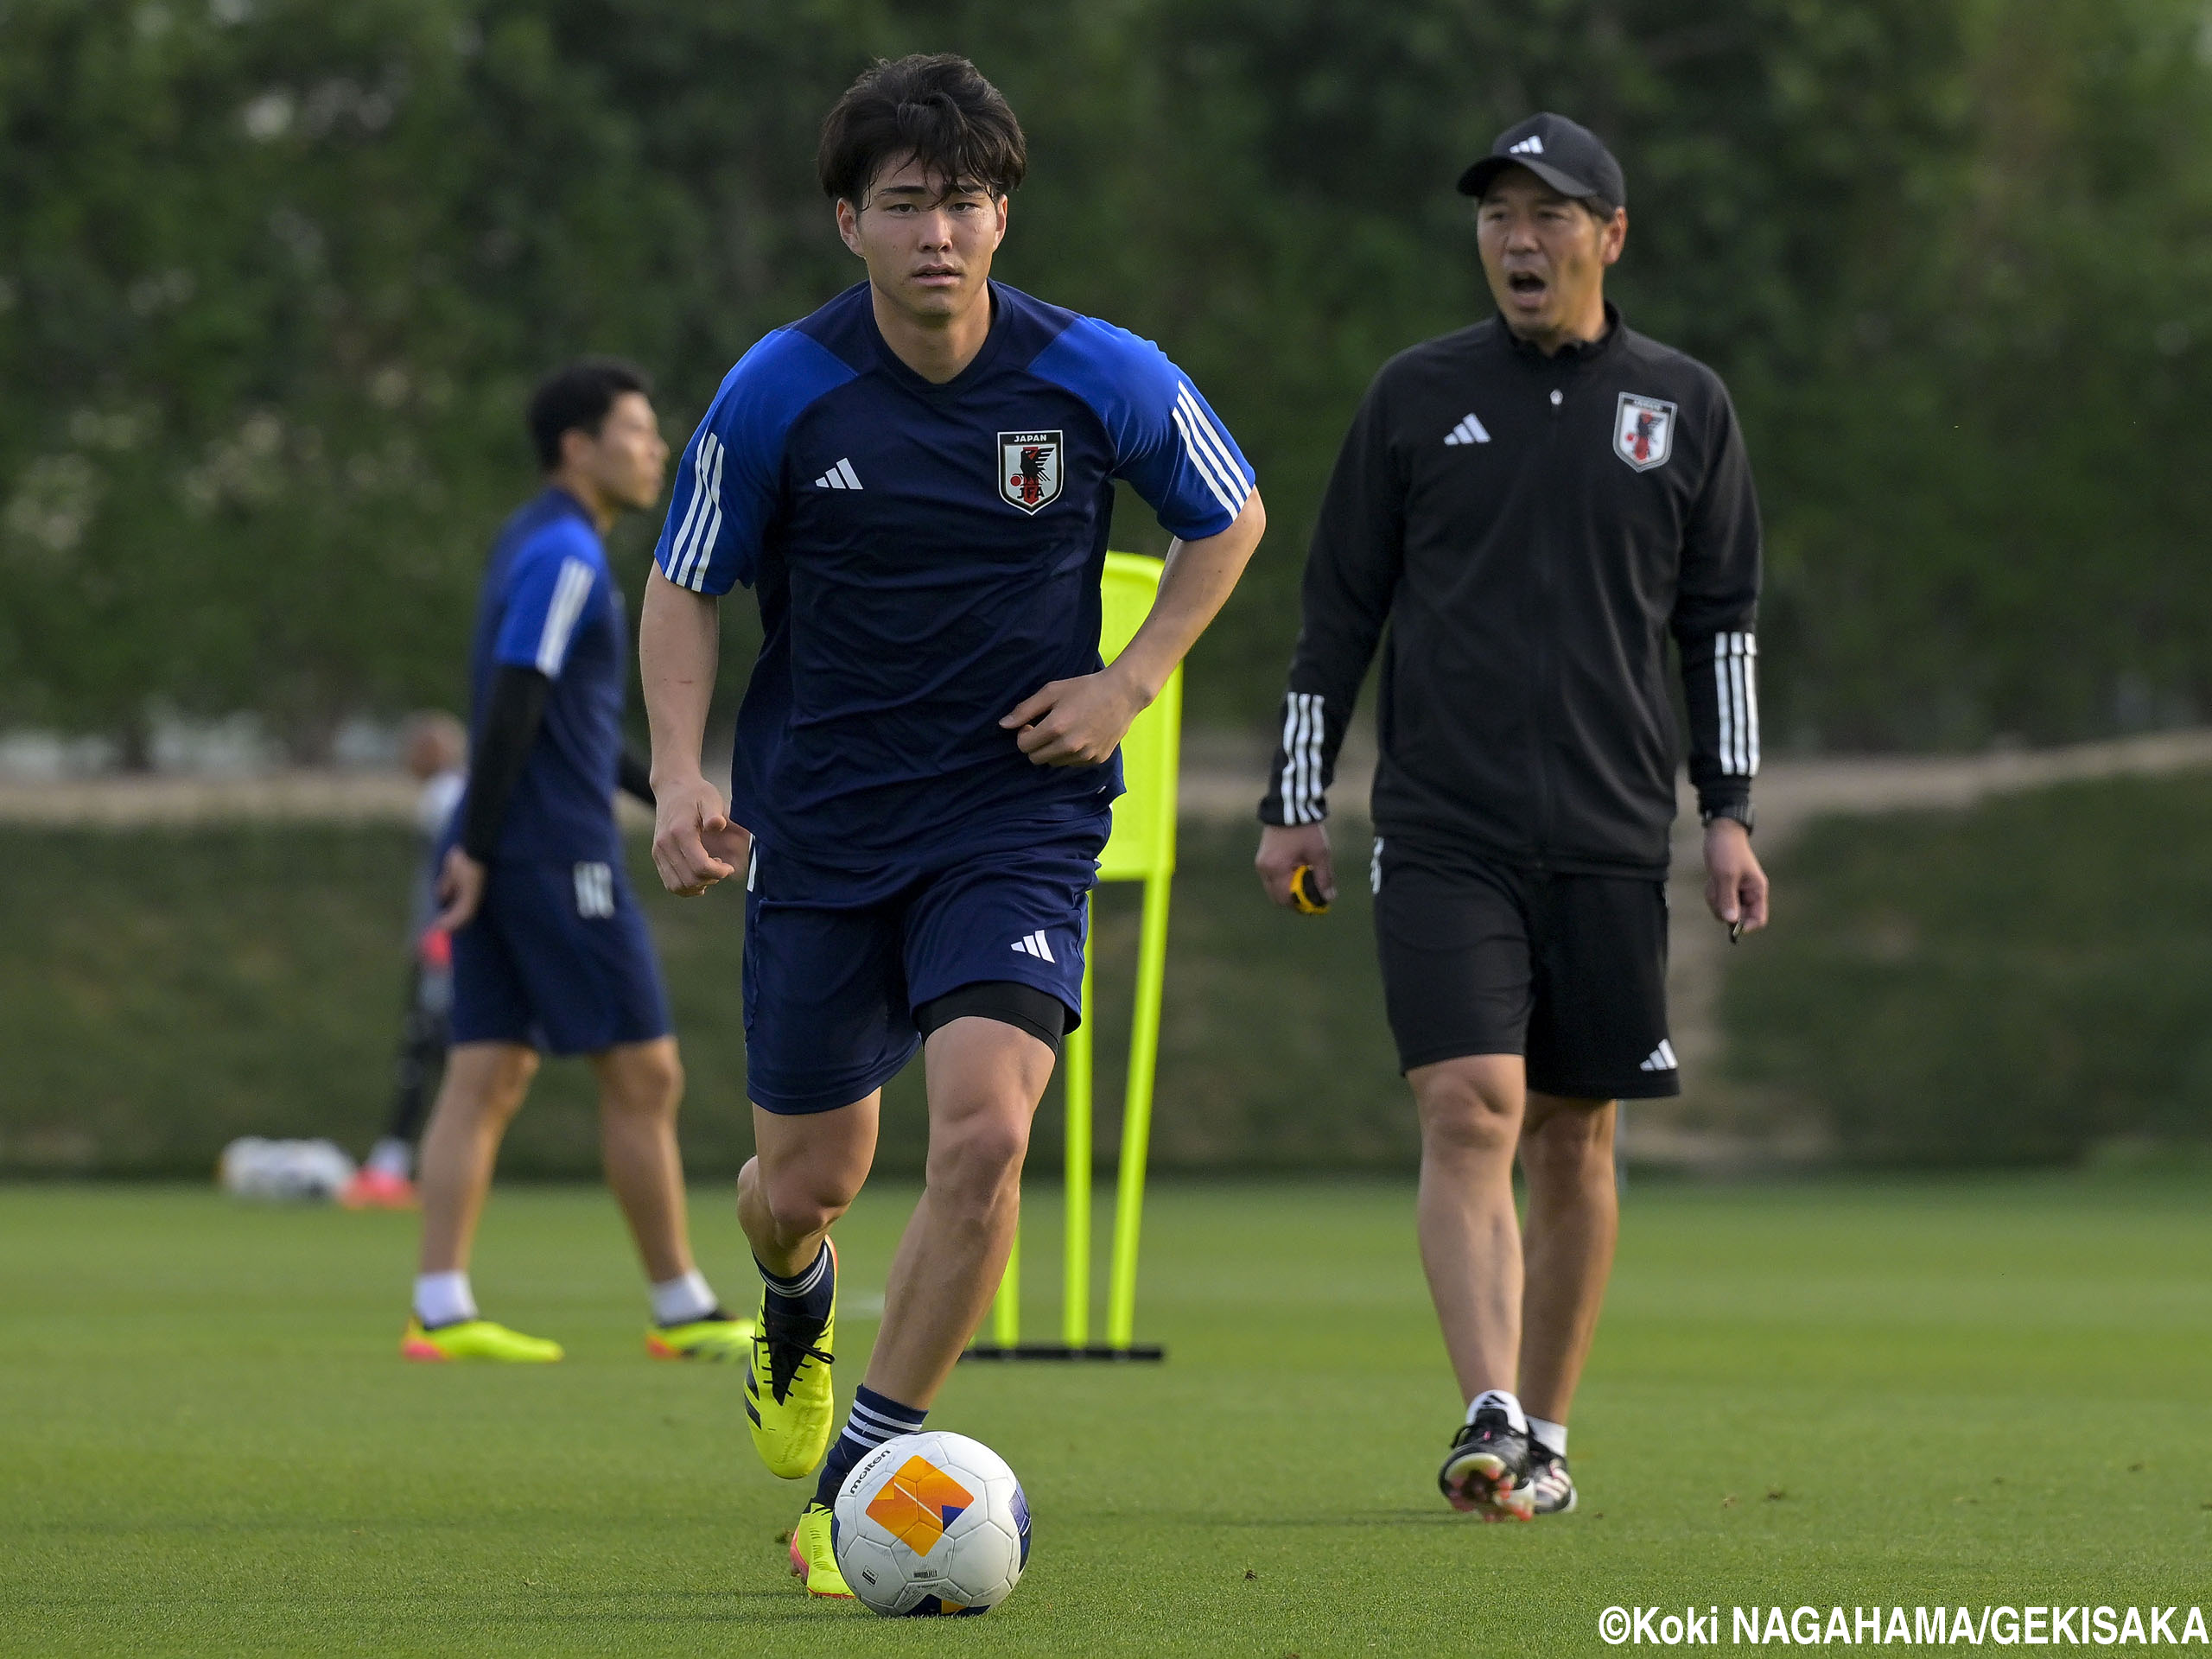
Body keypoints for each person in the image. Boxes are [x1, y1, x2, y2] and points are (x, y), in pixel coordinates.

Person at [639, 54, 1266, 1598]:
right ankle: (795, 1306)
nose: (940, 233)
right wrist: (676, 775)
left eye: (968, 202)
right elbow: (682, 583)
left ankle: (860, 1475)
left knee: (986, 1135)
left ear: (1004, 217)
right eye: (907, 204)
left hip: (1016, 819)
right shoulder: (777, 388)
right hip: (826, 826)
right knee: (803, 1188)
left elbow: (1230, 510)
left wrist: (1127, 683)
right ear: (848, 220)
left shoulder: (1099, 372)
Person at [1254, 113, 1769, 1521]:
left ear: (1612, 236)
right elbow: (1336, 614)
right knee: (1471, 1105)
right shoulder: (1414, 398)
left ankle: (1543, 1436)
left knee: (1573, 1135)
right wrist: (1297, 801)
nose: (1519, 240)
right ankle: (1484, 1405)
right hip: (1442, 826)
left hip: (1610, 833)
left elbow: (1721, 628)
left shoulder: (1688, 405)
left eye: (1550, 215)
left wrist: (1726, 813)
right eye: (1497, 216)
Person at [401, 359, 754, 1365]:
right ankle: (681, 1304)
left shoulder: (532, 541)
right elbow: (515, 697)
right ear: (577, 448)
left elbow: (563, 721)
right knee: (645, 1071)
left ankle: (440, 1306)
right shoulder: (565, 557)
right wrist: (479, 845)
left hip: (505, 841)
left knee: (488, 1069)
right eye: (637, 432)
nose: (654, 450)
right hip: (550, 852)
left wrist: (675, 800)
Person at [342, 711, 467, 1211]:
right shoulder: (448, 794)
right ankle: (401, 1162)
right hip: (445, 941)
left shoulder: (445, 797)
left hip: (448, 946)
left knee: (427, 1050)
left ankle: (397, 1164)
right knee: (436, 1052)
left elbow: (446, 876)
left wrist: (438, 935)